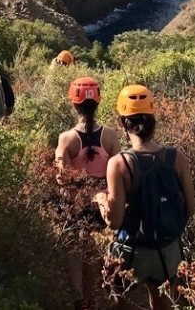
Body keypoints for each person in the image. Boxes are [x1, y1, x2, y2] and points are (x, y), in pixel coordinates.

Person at [94, 85, 195, 310]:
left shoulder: (120, 164)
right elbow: (191, 209)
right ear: (152, 119)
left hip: (132, 251)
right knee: (162, 303)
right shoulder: (177, 158)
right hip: (168, 251)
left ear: (123, 122)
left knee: (117, 299)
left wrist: (100, 198)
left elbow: (115, 221)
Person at [55, 77, 121, 310]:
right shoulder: (111, 136)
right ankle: (91, 298)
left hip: (73, 202)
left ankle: (77, 299)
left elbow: (62, 177)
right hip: (100, 202)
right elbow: (118, 172)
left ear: (74, 104)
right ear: (98, 103)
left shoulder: (67, 138)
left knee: (73, 250)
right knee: (93, 249)